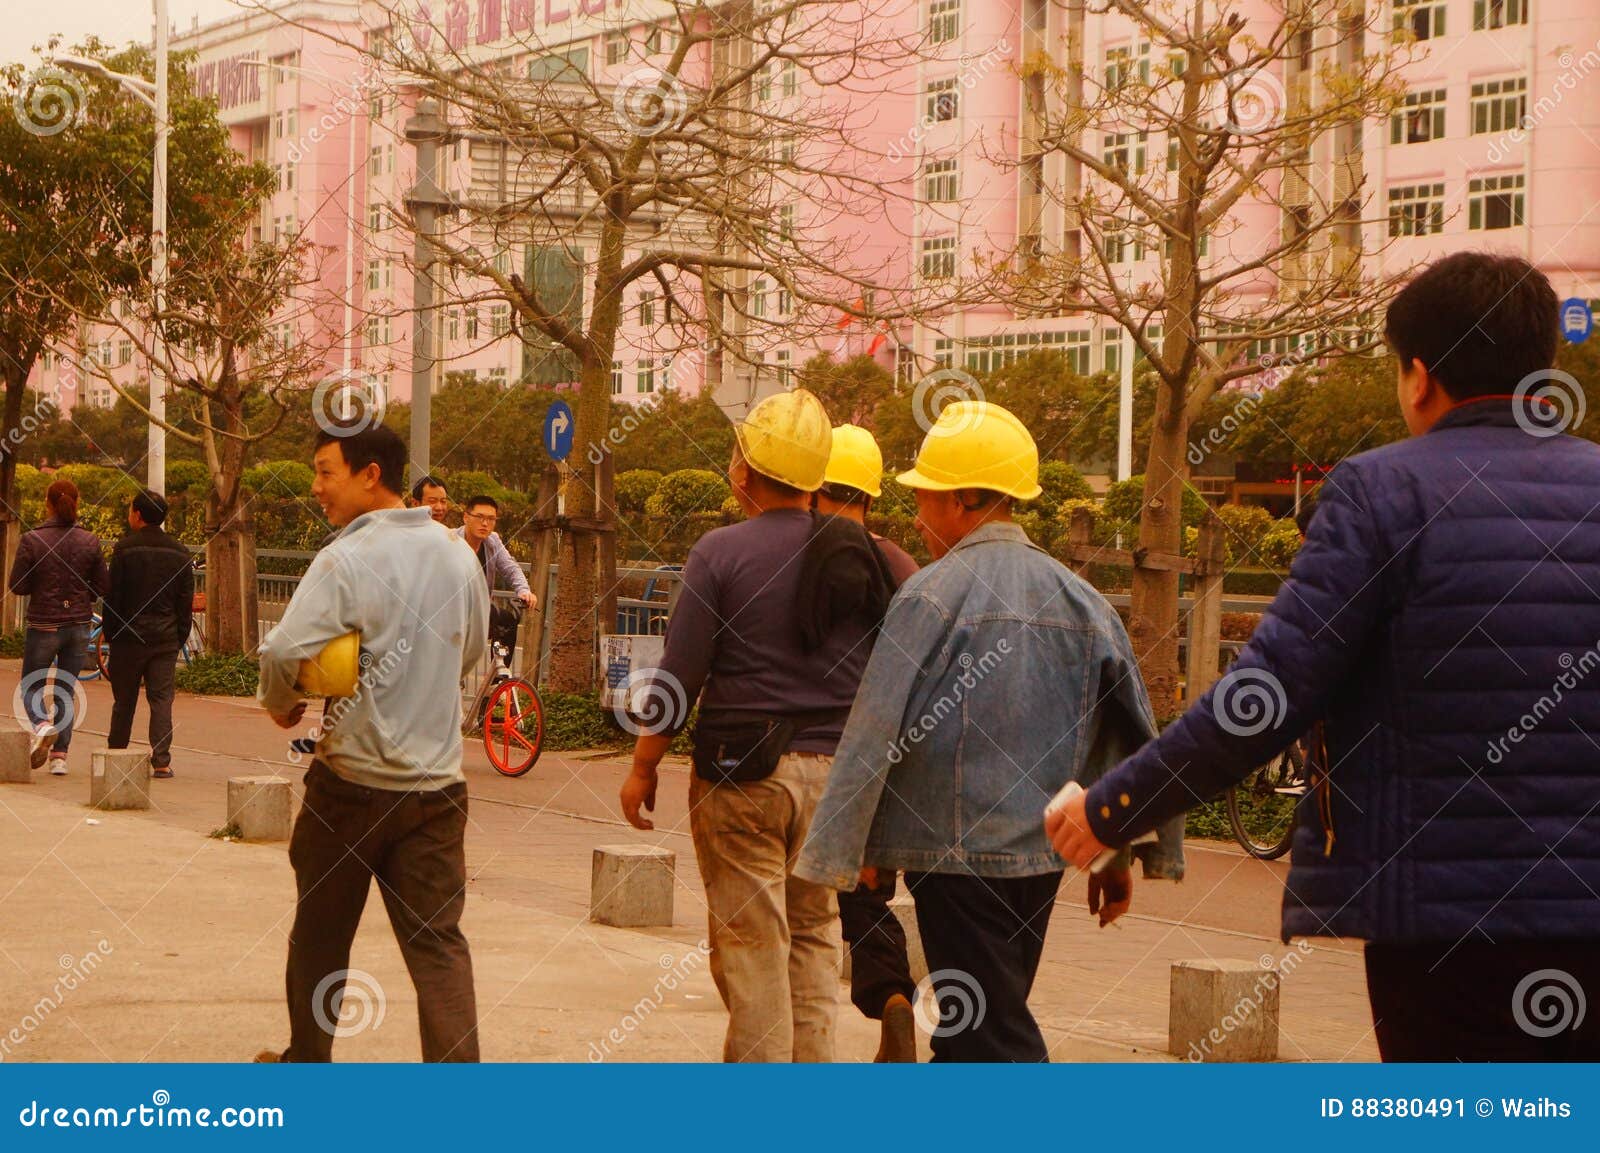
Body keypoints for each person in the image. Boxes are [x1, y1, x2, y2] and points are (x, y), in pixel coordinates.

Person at [1049, 251, 1600, 1062]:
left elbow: (1267, 693)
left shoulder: (1383, 492)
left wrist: (1113, 807)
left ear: (1419, 377)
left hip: (1439, 927)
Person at [795, 401, 1184, 1062]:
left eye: (928, 498)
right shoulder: (1082, 601)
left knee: (992, 1037)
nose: (919, 517)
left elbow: (874, 729)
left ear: (965, 498)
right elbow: (1124, 736)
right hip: (1040, 857)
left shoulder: (928, 596)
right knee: (970, 1027)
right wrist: (1115, 851)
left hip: (952, 861)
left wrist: (846, 849)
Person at [618, 388, 870, 1063]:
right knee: (814, 934)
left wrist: (644, 765)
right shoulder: (856, 551)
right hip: (835, 778)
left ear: (745, 471)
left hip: (744, 777)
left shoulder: (719, 552)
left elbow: (681, 673)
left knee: (756, 943)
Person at [255, 424, 488, 1062]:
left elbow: (282, 650)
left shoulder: (346, 557)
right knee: (438, 946)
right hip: (437, 790)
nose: (316, 486)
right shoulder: (457, 554)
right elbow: (470, 651)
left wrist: (281, 703)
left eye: (325, 471)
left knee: (322, 936)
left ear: (370, 475)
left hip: (349, 788)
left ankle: (308, 1066)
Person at [809, 423, 919, 1061]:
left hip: (806, 750)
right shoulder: (901, 565)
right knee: (868, 893)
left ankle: (799, 1030)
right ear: (873, 496)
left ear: (814, 488)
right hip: (888, 755)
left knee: (795, 902)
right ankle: (894, 999)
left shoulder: (800, 556)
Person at [7, 478, 110, 775]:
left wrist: (41, 588)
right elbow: (103, 585)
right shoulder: (90, 540)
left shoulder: (32, 539)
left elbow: (18, 585)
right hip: (78, 623)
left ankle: (42, 725)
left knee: (32, 684)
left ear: (48, 503)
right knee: (65, 688)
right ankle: (60, 758)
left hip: (44, 623)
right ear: (76, 502)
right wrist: (82, 596)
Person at [102, 490, 193, 780]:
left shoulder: (124, 550)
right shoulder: (180, 553)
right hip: (164, 639)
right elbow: (184, 604)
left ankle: (117, 753)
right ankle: (162, 761)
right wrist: (178, 637)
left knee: (124, 700)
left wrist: (111, 634)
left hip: (128, 639)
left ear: (138, 514)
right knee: (162, 700)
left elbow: (113, 599)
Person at [452, 495, 534, 657]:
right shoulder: (450, 540)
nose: (485, 523)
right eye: (479, 517)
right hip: (452, 609)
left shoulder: (492, 541)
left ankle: (499, 669)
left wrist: (524, 590)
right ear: (466, 517)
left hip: (480, 609)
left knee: (507, 620)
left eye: (491, 519)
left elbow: (510, 568)